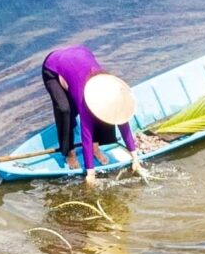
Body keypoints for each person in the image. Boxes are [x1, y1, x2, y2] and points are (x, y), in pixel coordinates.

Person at [39, 44, 143, 184]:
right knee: (65, 109)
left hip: (80, 54)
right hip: (53, 66)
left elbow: (122, 123)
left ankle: (96, 148)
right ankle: (69, 152)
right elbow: (86, 134)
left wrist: (135, 158)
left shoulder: (111, 89)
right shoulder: (85, 96)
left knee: (104, 114)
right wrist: (91, 173)